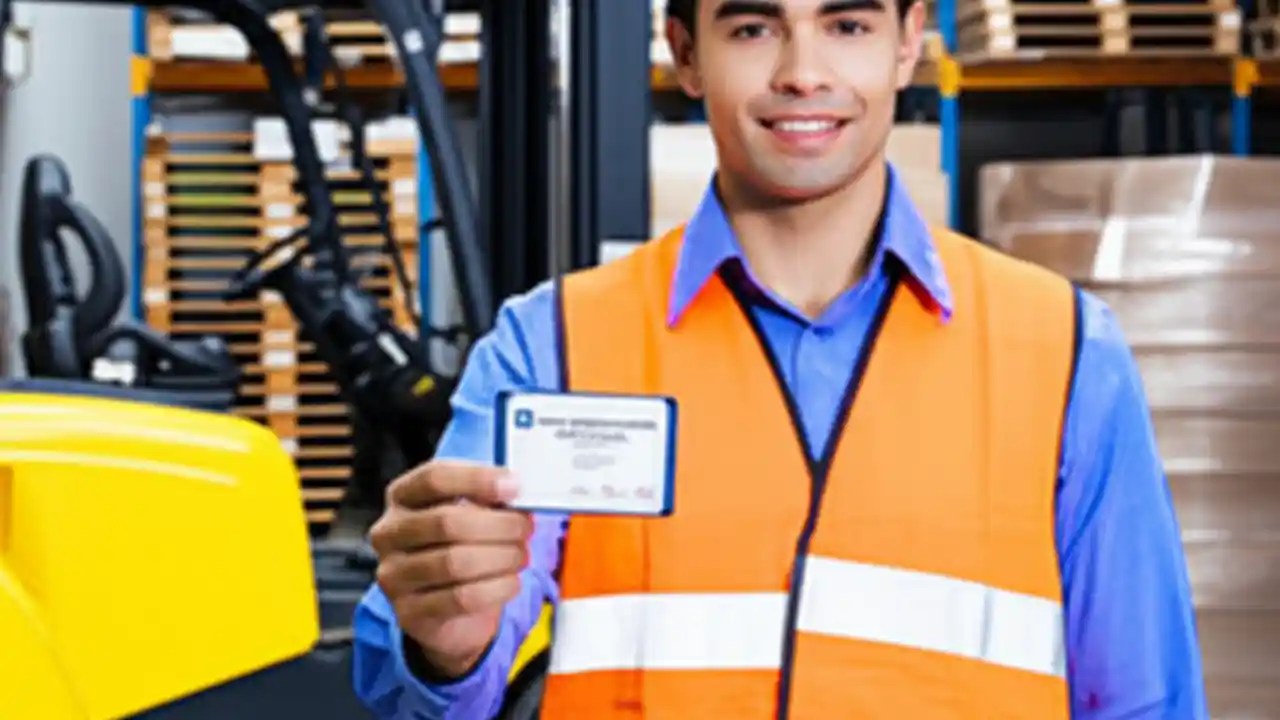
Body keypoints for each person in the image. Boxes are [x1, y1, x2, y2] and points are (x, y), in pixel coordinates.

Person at [351, 0, 1208, 716]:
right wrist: (445, 646)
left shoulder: (1064, 351)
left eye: (847, 25)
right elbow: (425, 683)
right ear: (686, 53)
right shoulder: (555, 345)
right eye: (755, 27)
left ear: (908, 41)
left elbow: (1142, 700)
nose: (803, 71)